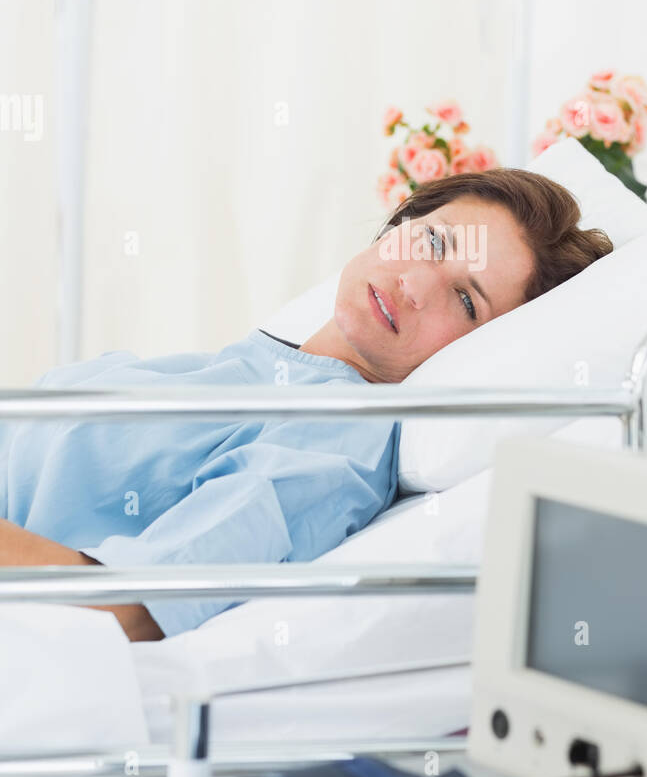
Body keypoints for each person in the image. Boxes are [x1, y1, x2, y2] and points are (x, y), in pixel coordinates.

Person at [0, 169, 613, 642]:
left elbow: (128, 609)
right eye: (432, 240)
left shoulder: (335, 440)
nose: (415, 283)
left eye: (466, 300)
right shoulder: (254, 366)